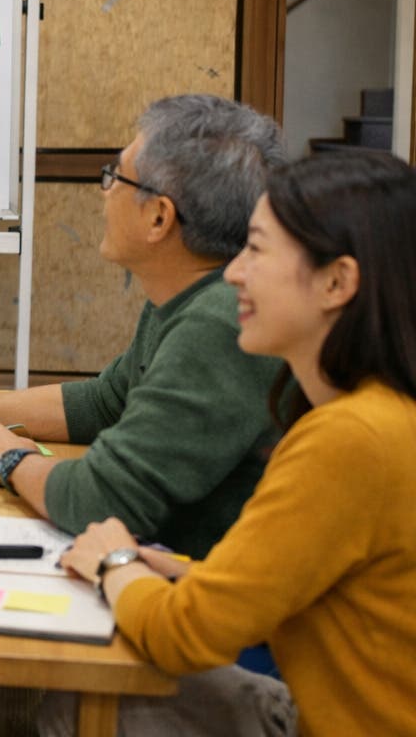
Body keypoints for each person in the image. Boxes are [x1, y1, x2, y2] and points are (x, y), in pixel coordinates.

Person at [51, 149, 416, 737]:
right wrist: (189, 574)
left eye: (258, 250)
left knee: (63, 699)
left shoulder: (351, 438)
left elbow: (184, 637)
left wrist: (113, 562)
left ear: (337, 281)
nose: (236, 272)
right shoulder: (379, 413)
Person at [0, 95, 285, 559]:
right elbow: (101, 404)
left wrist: (9, 459)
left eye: (116, 177)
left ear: (159, 217)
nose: (104, 191)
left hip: (195, 595)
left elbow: (100, 499)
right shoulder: (190, 297)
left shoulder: (219, 325)